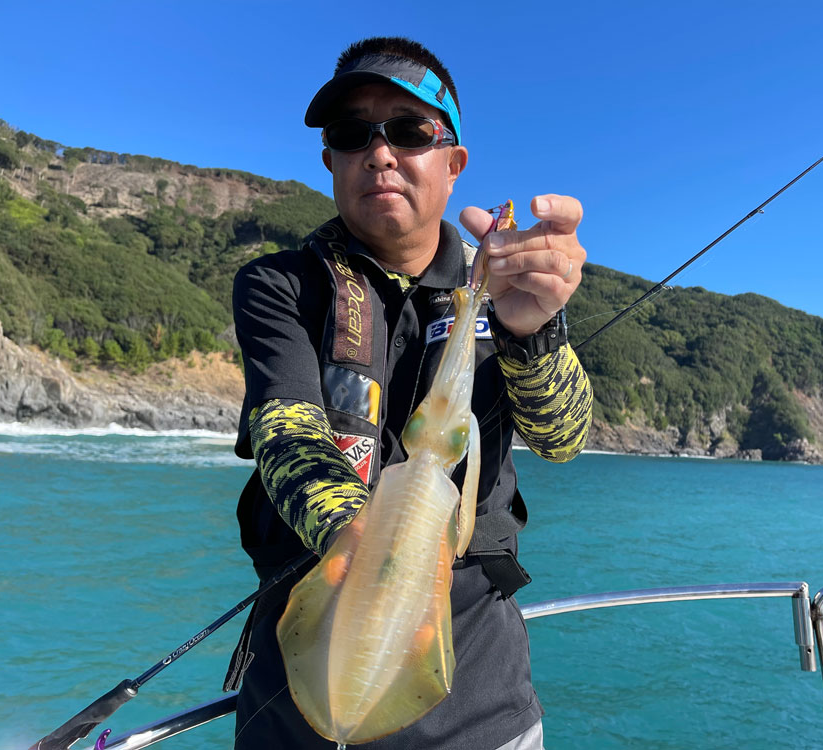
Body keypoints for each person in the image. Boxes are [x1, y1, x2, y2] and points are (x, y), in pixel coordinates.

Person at [229, 36, 593, 750]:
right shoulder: (280, 286)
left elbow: (565, 436)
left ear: (453, 162)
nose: (381, 151)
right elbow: (288, 433)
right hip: (300, 696)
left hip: (477, 703)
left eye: (409, 130)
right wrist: (375, 547)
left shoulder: (506, 293)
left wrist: (535, 333)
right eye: (352, 133)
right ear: (330, 159)